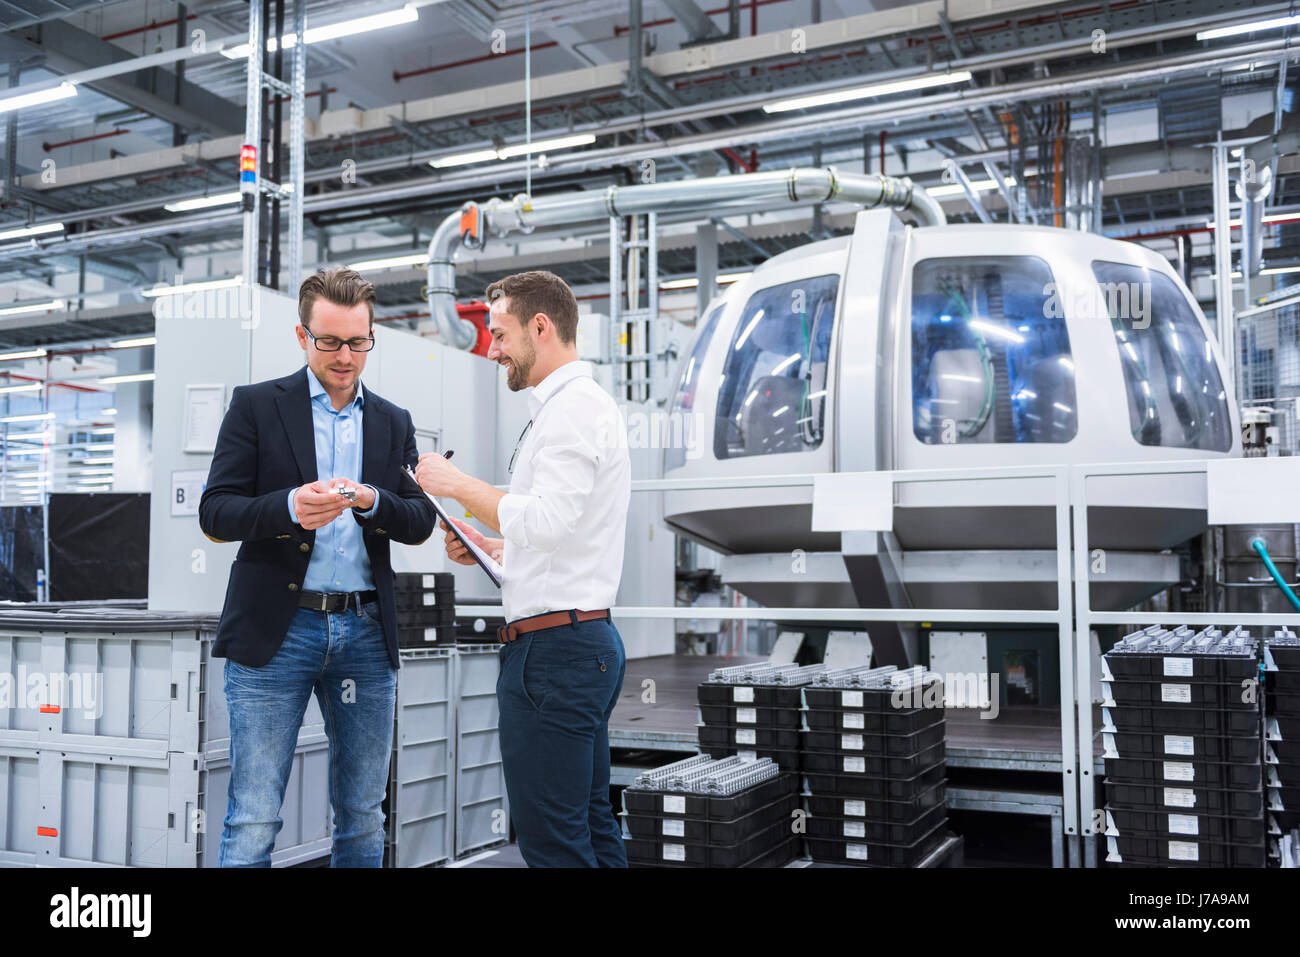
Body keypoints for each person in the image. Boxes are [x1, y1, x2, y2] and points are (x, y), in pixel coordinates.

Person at [199, 266, 436, 867]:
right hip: (278, 632)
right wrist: (286, 507)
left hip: (363, 631)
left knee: (362, 815)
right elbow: (215, 512)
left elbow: (419, 520)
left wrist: (374, 502)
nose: (345, 355)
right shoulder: (256, 406)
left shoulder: (392, 421)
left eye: (358, 342)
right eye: (329, 341)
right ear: (302, 337)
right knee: (254, 817)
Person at [415, 269, 631, 868]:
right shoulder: (573, 408)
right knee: (588, 824)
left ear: (541, 326)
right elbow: (559, 535)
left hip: (555, 655)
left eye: (501, 333)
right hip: (577, 643)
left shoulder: (572, 411)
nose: (492, 350)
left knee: (553, 842)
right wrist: (491, 545)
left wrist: (458, 486)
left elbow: (546, 523)